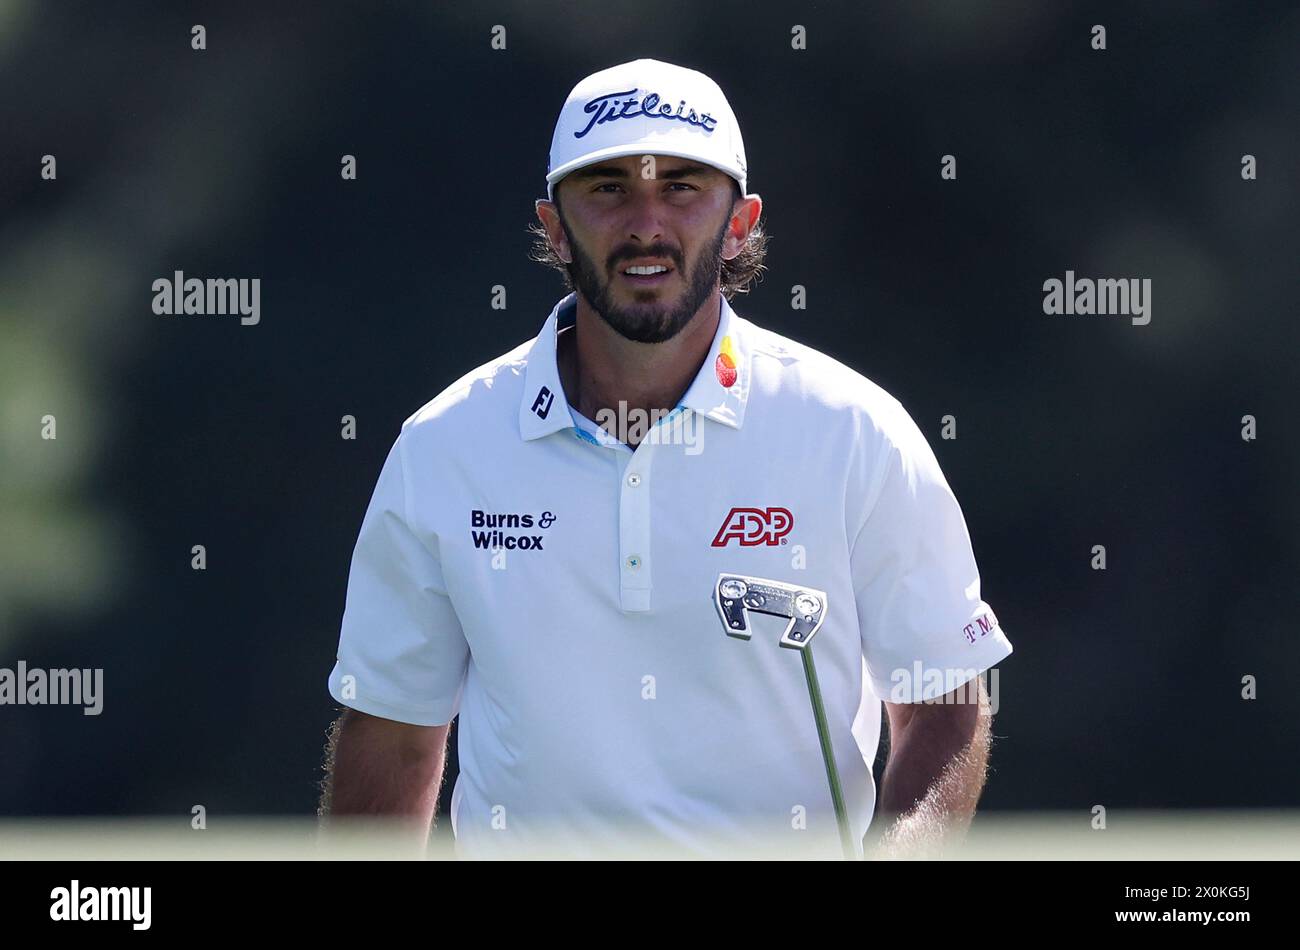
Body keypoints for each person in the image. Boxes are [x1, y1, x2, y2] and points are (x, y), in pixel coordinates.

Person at [320, 58, 1014, 859]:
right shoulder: (444, 447)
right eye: (608, 188)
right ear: (554, 227)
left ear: (741, 222)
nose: (646, 224)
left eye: (682, 188)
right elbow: (394, 731)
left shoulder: (855, 433)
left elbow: (943, 701)